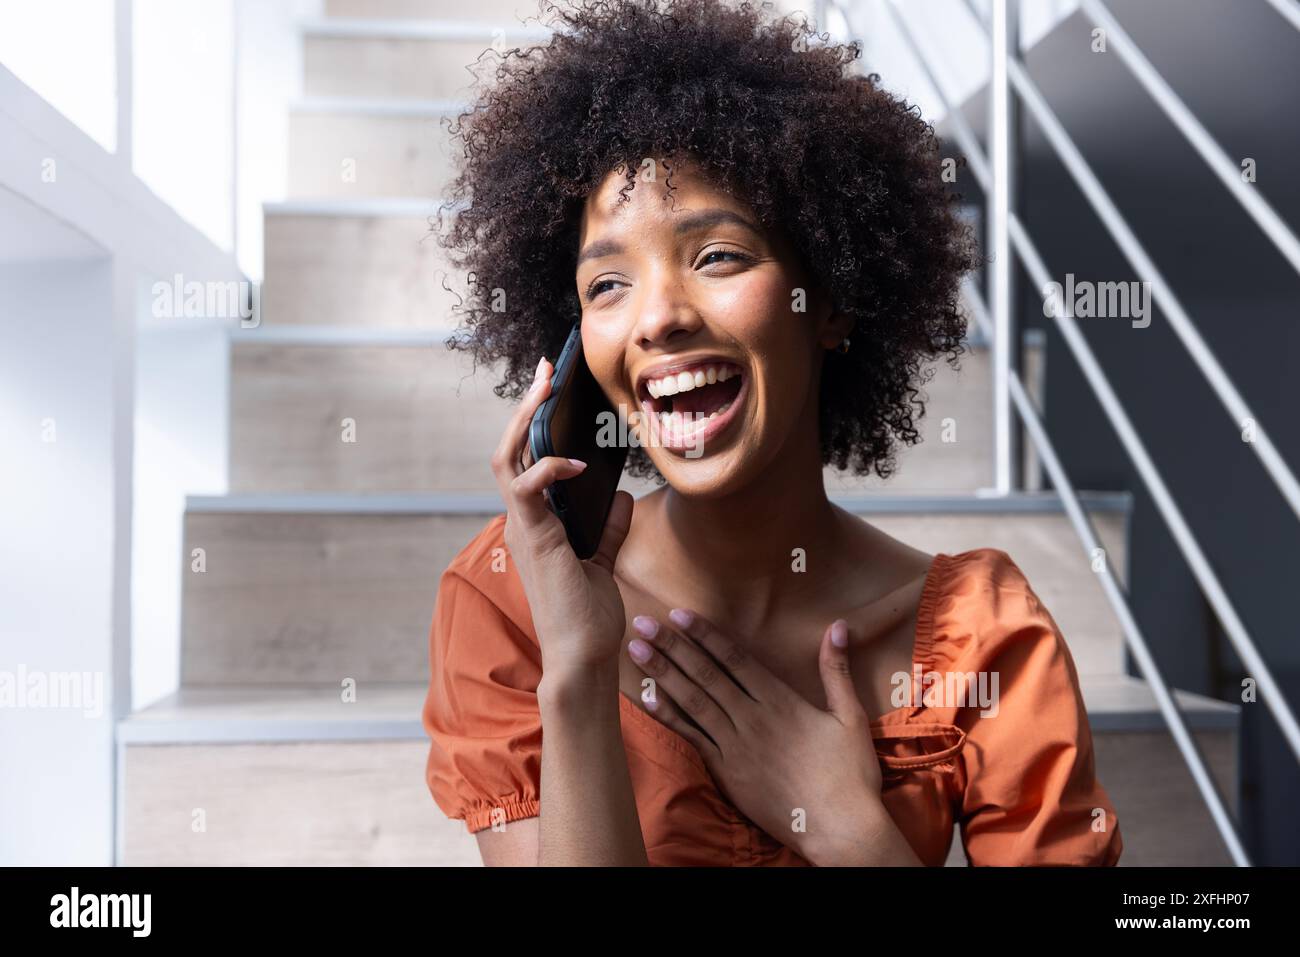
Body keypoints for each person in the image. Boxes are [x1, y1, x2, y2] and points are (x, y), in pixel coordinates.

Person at [420, 0, 1122, 866]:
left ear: (828, 301)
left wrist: (848, 830)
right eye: (606, 284)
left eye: (717, 256)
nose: (659, 319)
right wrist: (577, 669)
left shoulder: (987, 636)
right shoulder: (513, 599)